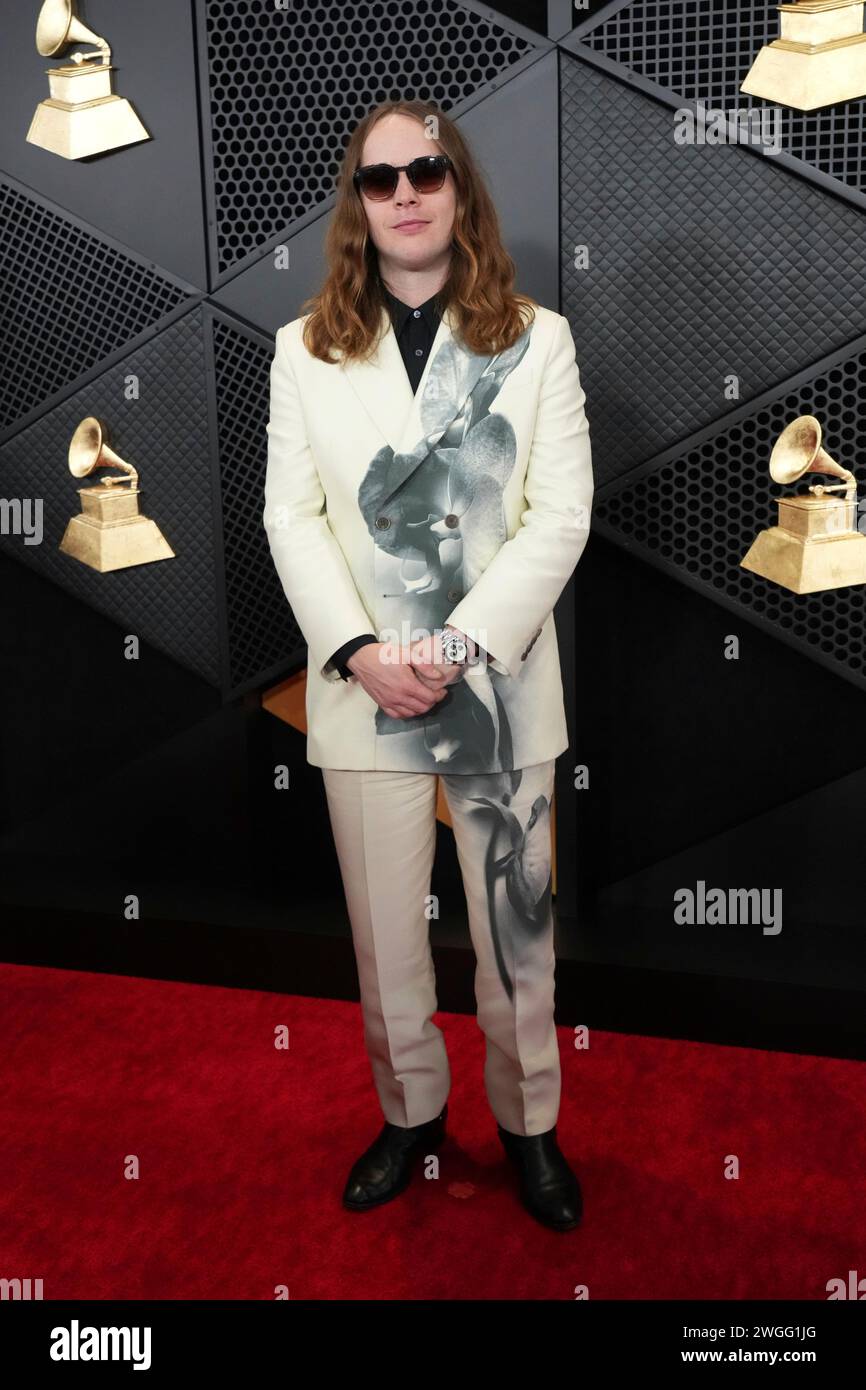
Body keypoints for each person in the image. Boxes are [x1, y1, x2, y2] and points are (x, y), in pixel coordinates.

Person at [263, 98, 593, 1231]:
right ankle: (411, 1116)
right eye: (380, 178)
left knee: (517, 936)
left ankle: (530, 1126)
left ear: (458, 190)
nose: (404, 193)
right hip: (366, 691)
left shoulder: (536, 338)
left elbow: (560, 516)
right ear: (357, 204)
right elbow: (291, 518)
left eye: (426, 172)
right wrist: (361, 651)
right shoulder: (303, 351)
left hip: (495, 684)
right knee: (385, 941)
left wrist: (454, 647)